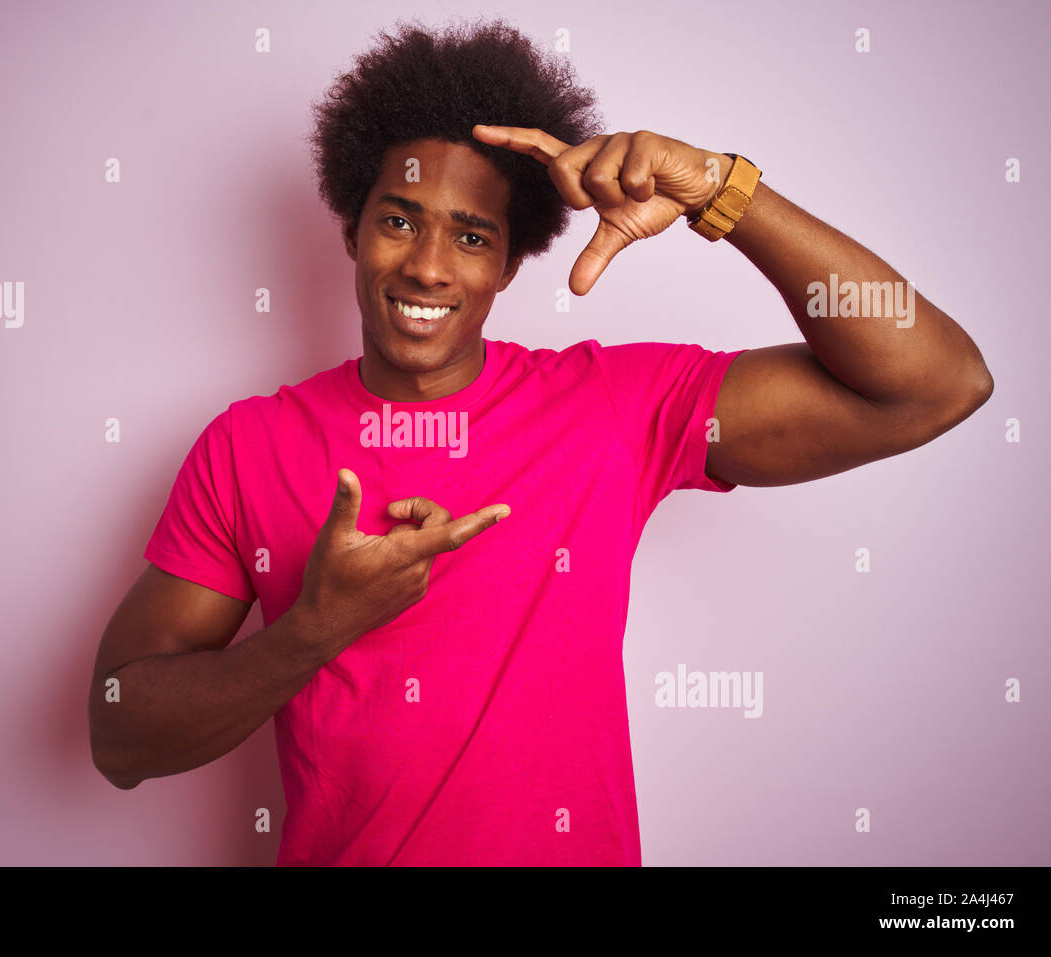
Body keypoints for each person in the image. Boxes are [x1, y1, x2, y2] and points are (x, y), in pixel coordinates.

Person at [88, 17, 992, 866]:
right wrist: (314, 631)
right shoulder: (249, 444)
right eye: (398, 218)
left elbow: (935, 383)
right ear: (351, 228)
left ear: (511, 264)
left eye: (471, 236)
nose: (428, 266)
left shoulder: (612, 406)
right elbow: (117, 731)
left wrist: (722, 189)